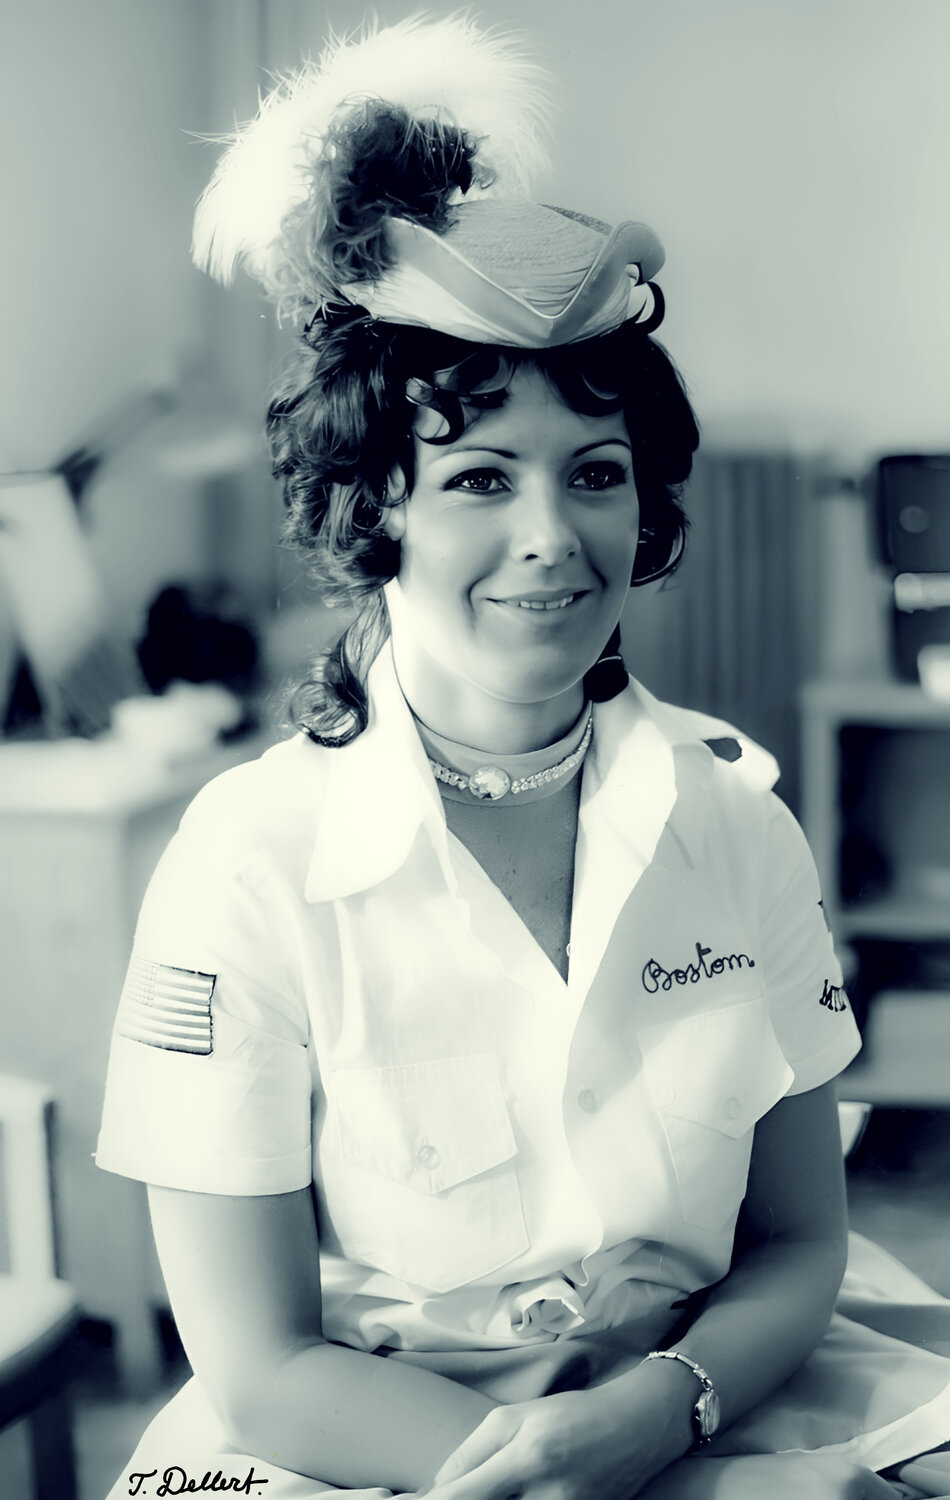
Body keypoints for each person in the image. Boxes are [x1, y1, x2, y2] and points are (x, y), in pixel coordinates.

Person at [97, 17, 950, 1500]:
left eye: (597, 475)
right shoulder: (247, 858)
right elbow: (257, 1363)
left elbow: (802, 1243)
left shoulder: (735, 821)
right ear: (376, 515)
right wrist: (562, 1472)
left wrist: (660, 1414)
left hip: (713, 1397)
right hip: (370, 1442)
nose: (552, 538)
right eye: (480, 479)